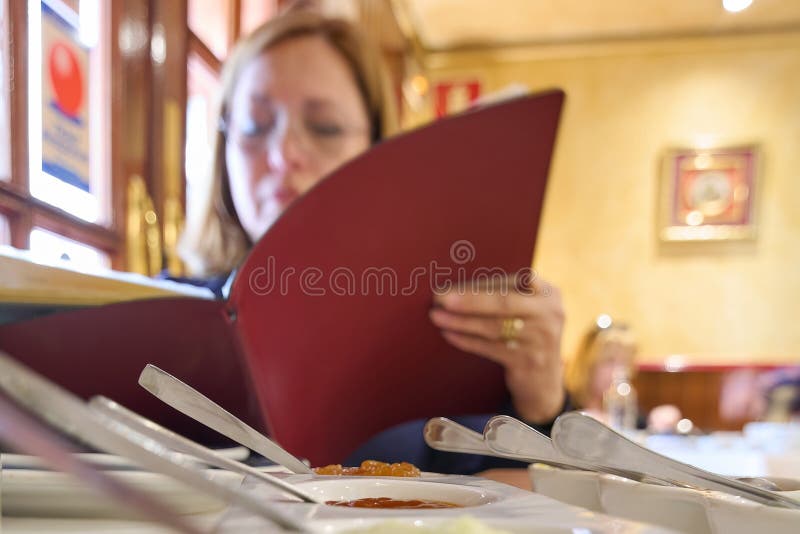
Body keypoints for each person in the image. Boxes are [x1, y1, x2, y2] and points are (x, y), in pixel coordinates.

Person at [177, 8, 567, 475]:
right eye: (256, 127)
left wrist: (542, 402)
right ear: (223, 149)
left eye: (324, 129)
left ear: (377, 149)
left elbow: (516, 494)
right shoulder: (168, 313)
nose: (284, 154)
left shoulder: (443, 318)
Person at [564, 316, 681, 433]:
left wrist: (656, 420)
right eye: (609, 361)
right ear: (586, 363)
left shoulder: (622, 400)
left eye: (625, 362)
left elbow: (641, 427)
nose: (619, 371)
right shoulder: (564, 403)